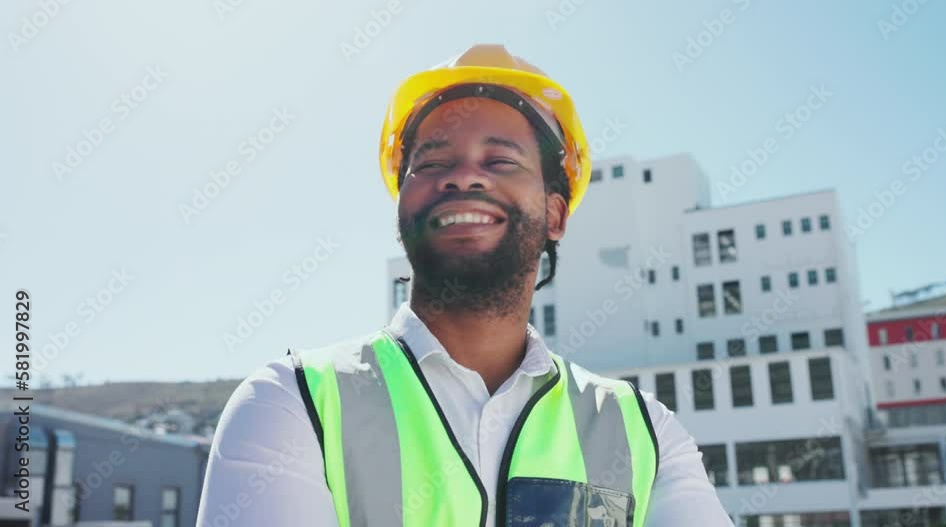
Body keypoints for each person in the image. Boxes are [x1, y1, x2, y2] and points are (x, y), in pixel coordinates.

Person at [196, 44, 733, 527]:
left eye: (500, 160)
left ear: (555, 214)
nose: (463, 177)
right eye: (432, 162)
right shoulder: (291, 403)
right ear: (403, 205)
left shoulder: (646, 433)